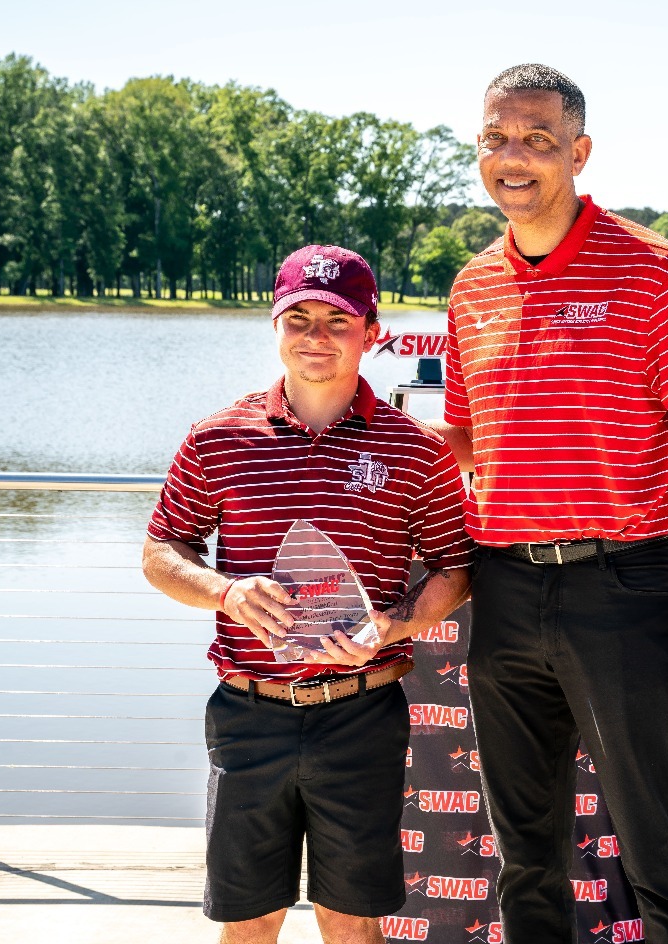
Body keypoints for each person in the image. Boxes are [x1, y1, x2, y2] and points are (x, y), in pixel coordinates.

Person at [433, 64, 668, 944]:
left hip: (622, 589)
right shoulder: (472, 287)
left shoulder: (654, 271)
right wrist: (365, 445)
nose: (514, 157)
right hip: (501, 590)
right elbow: (465, 443)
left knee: (659, 853)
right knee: (526, 857)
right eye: (496, 138)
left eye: (536, 139)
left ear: (578, 151)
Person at [142, 244, 474, 944]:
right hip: (249, 711)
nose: (316, 336)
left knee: (351, 921)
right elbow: (161, 551)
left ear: (371, 331)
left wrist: (396, 625)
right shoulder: (218, 438)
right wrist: (225, 593)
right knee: (249, 920)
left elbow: (455, 567)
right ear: (275, 324)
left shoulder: (416, 449)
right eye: (299, 318)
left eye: (337, 320)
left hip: (361, 715)